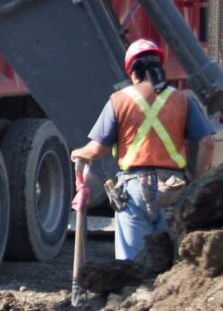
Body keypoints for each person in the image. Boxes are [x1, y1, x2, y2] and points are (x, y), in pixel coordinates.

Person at [70, 38, 215, 265]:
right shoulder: (182, 100)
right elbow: (207, 142)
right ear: (159, 66)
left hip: (133, 190)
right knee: (171, 264)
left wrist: (79, 153)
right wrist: (197, 181)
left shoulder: (119, 100)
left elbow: (97, 150)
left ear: (131, 71)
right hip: (173, 189)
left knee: (131, 266)